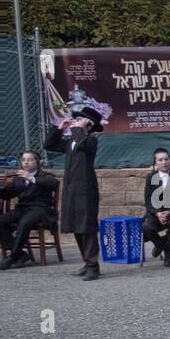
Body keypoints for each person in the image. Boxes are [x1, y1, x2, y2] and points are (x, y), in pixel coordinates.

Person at [43, 106, 103, 280]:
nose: (75, 121)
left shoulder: (91, 140)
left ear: (89, 125)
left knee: (87, 226)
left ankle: (93, 266)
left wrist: (79, 128)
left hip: (86, 189)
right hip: (72, 189)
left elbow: (83, 143)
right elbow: (49, 145)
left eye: (80, 119)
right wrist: (59, 129)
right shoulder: (72, 141)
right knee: (77, 225)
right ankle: (86, 262)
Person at [0, 150, 58, 271]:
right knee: (1, 221)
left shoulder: (45, 176)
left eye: (30, 160)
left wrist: (31, 178)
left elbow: (53, 184)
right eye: (24, 160)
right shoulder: (18, 179)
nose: (26, 162)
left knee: (24, 222)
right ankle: (20, 254)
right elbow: (7, 194)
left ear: (37, 162)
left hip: (40, 209)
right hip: (22, 209)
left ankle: (13, 257)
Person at [142, 147, 170, 267]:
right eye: (160, 160)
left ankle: (163, 248)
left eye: (166, 159)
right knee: (146, 227)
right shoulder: (150, 178)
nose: (164, 162)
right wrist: (157, 213)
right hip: (155, 212)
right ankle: (165, 247)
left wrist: (168, 212)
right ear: (155, 163)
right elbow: (148, 199)